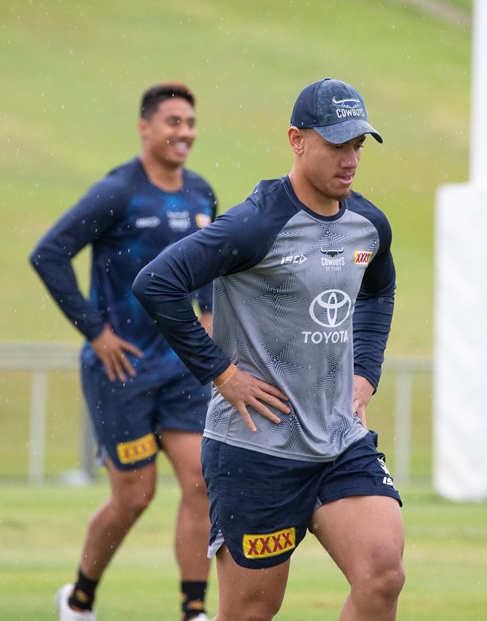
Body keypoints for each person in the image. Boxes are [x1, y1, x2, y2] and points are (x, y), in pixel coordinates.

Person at [133, 78, 404, 621]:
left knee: (382, 573)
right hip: (256, 451)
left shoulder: (368, 224)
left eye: (358, 145)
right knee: (252, 613)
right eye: (336, 144)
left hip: (338, 440)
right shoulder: (255, 223)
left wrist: (366, 372)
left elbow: (379, 291)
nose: (350, 159)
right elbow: (156, 283)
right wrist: (221, 373)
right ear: (297, 140)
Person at [30, 83, 218, 621]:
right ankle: (79, 599)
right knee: (135, 495)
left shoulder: (202, 194)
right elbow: (49, 255)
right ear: (145, 127)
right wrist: (96, 332)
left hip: (182, 368)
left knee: (202, 482)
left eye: (190, 122)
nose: (183, 132)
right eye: (172, 122)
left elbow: (209, 265)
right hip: (123, 370)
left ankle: (193, 611)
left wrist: (205, 314)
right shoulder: (118, 193)